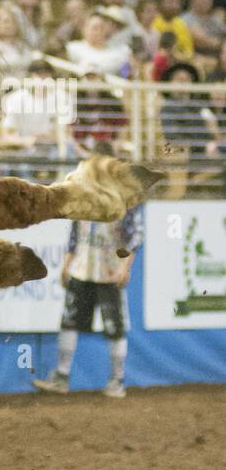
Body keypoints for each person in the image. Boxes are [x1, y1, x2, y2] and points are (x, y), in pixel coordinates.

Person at [33, 146, 144, 399]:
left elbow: (135, 236)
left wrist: (125, 268)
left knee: (114, 326)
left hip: (109, 270)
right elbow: (76, 232)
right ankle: (62, 377)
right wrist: (67, 263)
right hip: (84, 267)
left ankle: (116, 380)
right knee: (70, 322)